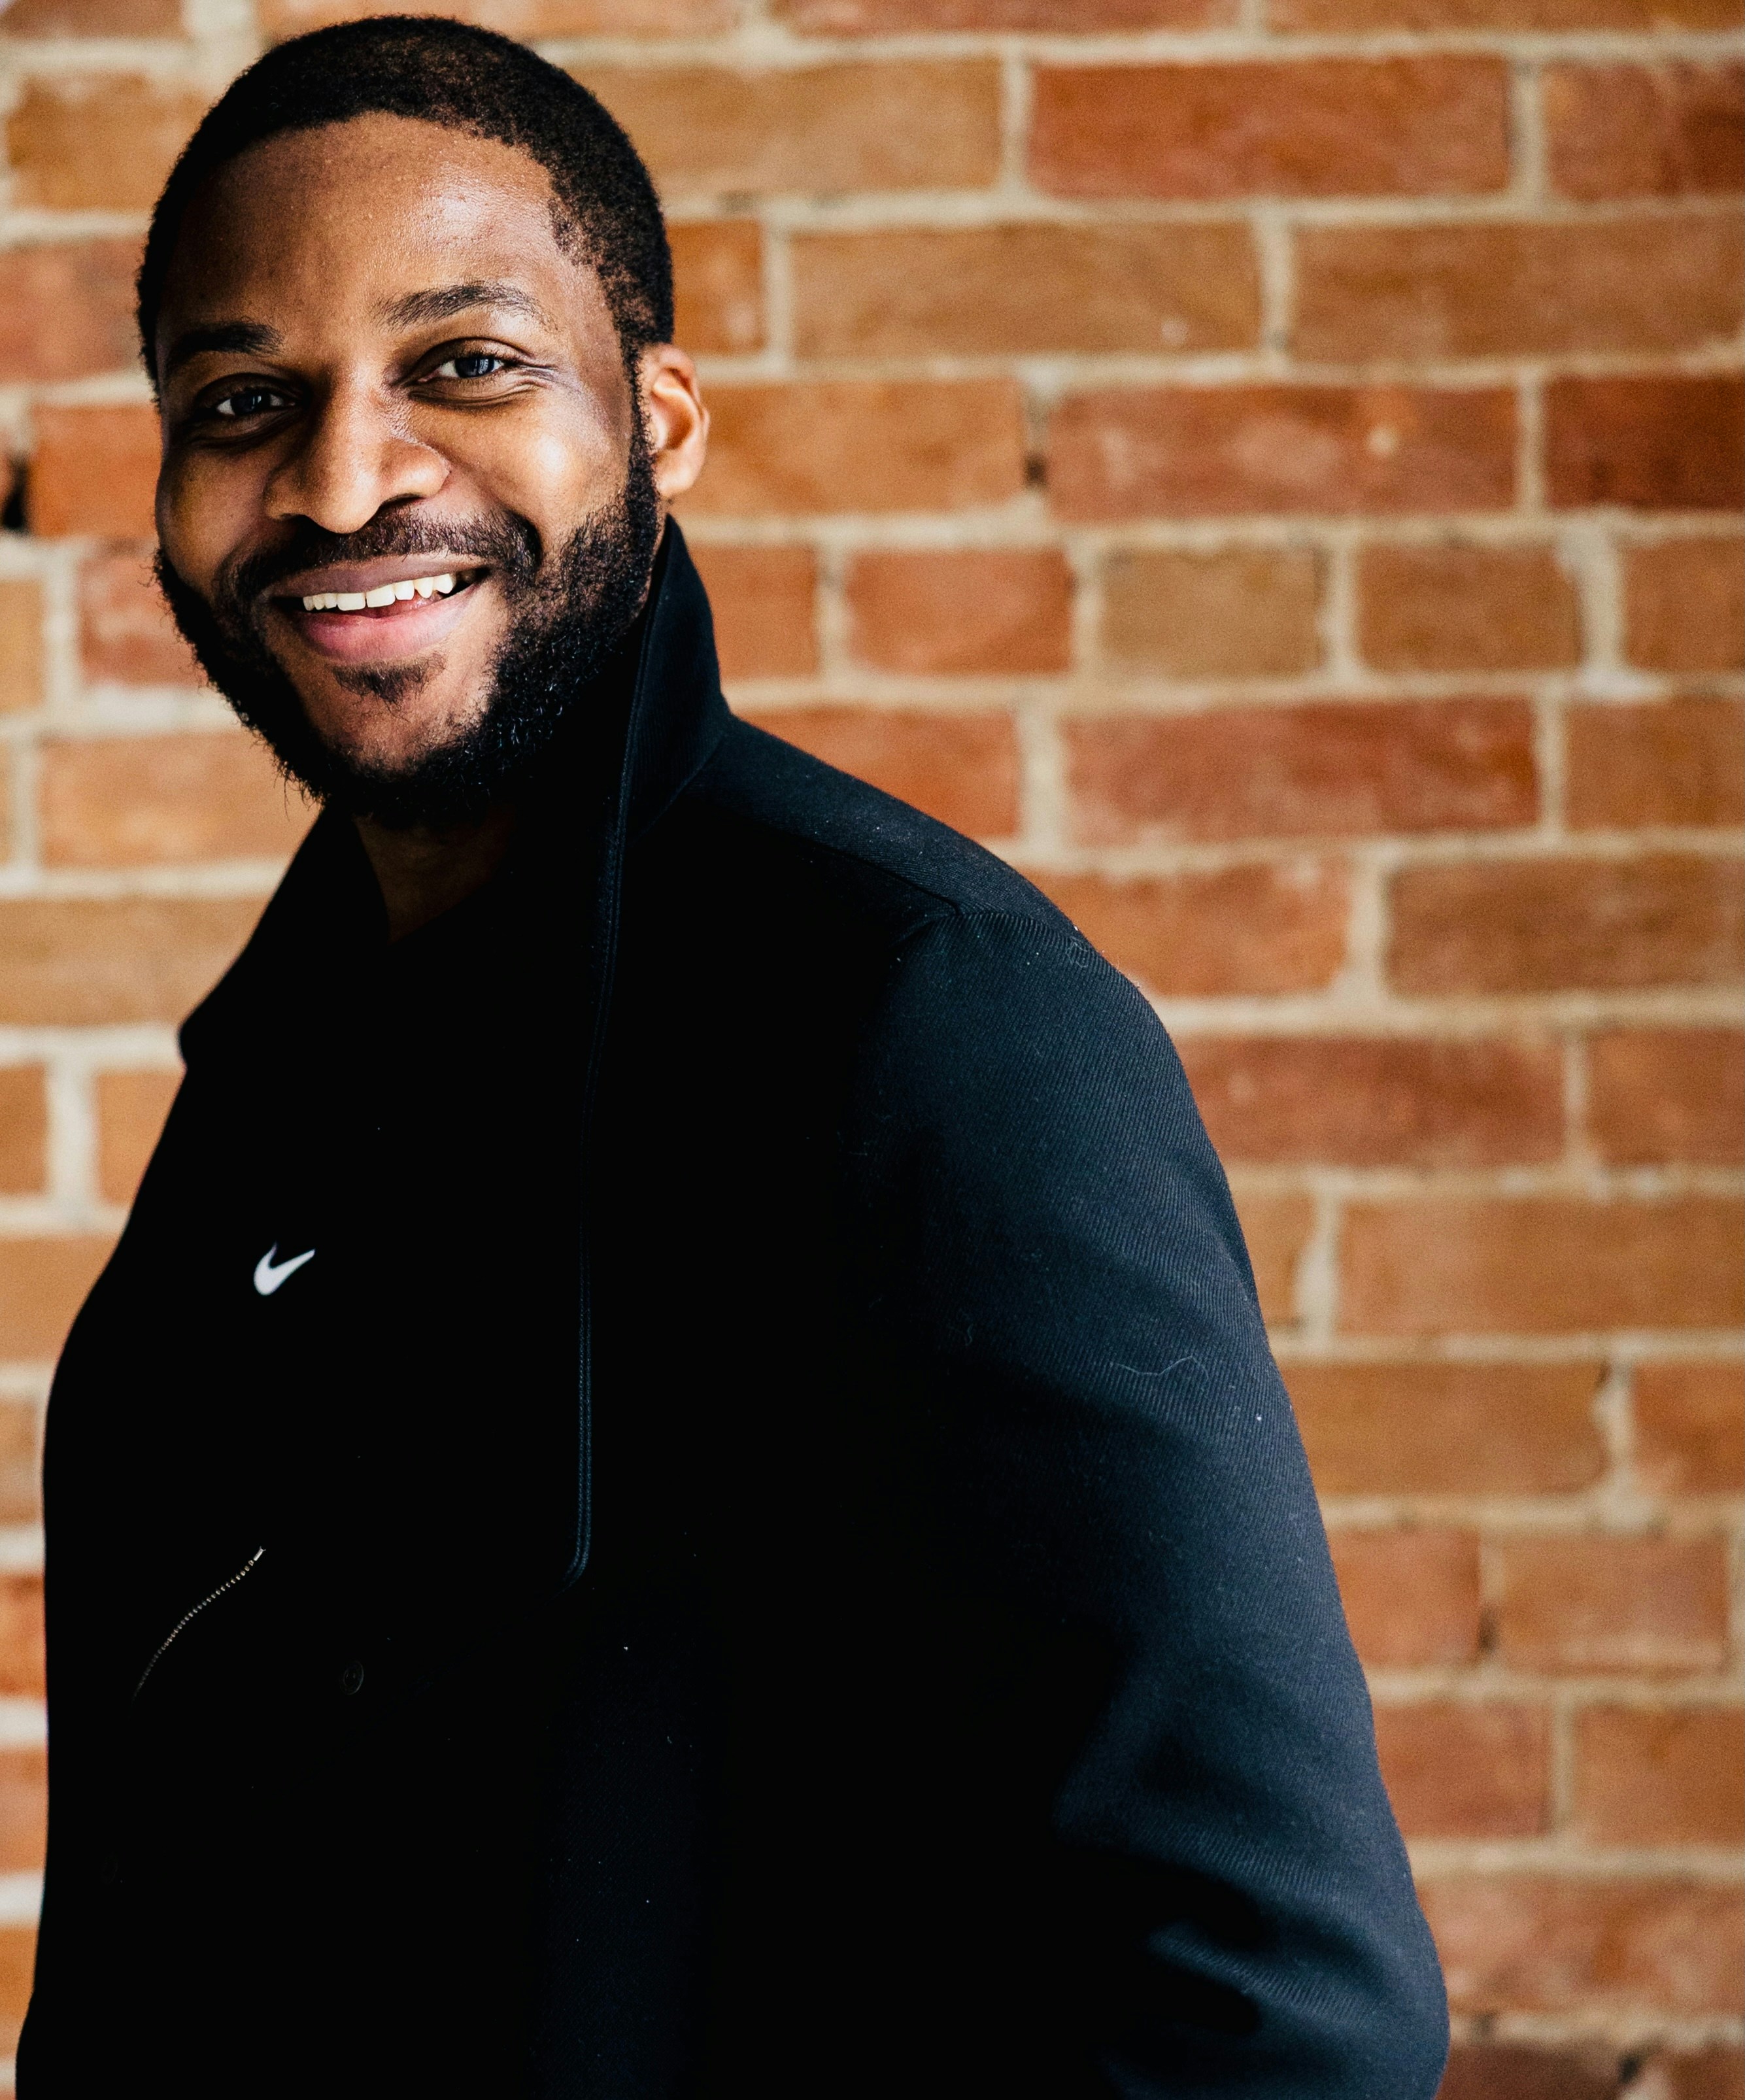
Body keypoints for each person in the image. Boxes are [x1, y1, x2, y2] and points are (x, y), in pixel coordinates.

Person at [20, 20, 1448, 2095]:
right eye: (247, 399)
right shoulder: (277, 1086)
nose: (344, 479)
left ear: (660, 421)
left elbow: (1275, 2010)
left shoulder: (918, 1019)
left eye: (463, 363)